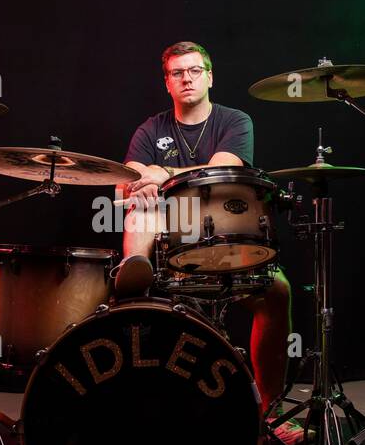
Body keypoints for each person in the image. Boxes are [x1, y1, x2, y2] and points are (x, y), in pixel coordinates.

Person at [117, 40, 292, 422]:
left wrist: (159, 174)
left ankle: (270, 412)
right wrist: (140, 183)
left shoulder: (235, 121)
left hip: (226, 239)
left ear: (209, 77)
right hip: (169, 243)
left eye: (195, 71)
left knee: (278, 290)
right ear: (167, 83)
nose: (187, 79)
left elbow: (217, 174)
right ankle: (133, 273)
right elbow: (123, 182)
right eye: (177, 73)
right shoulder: (151, 128)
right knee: (140, 201)